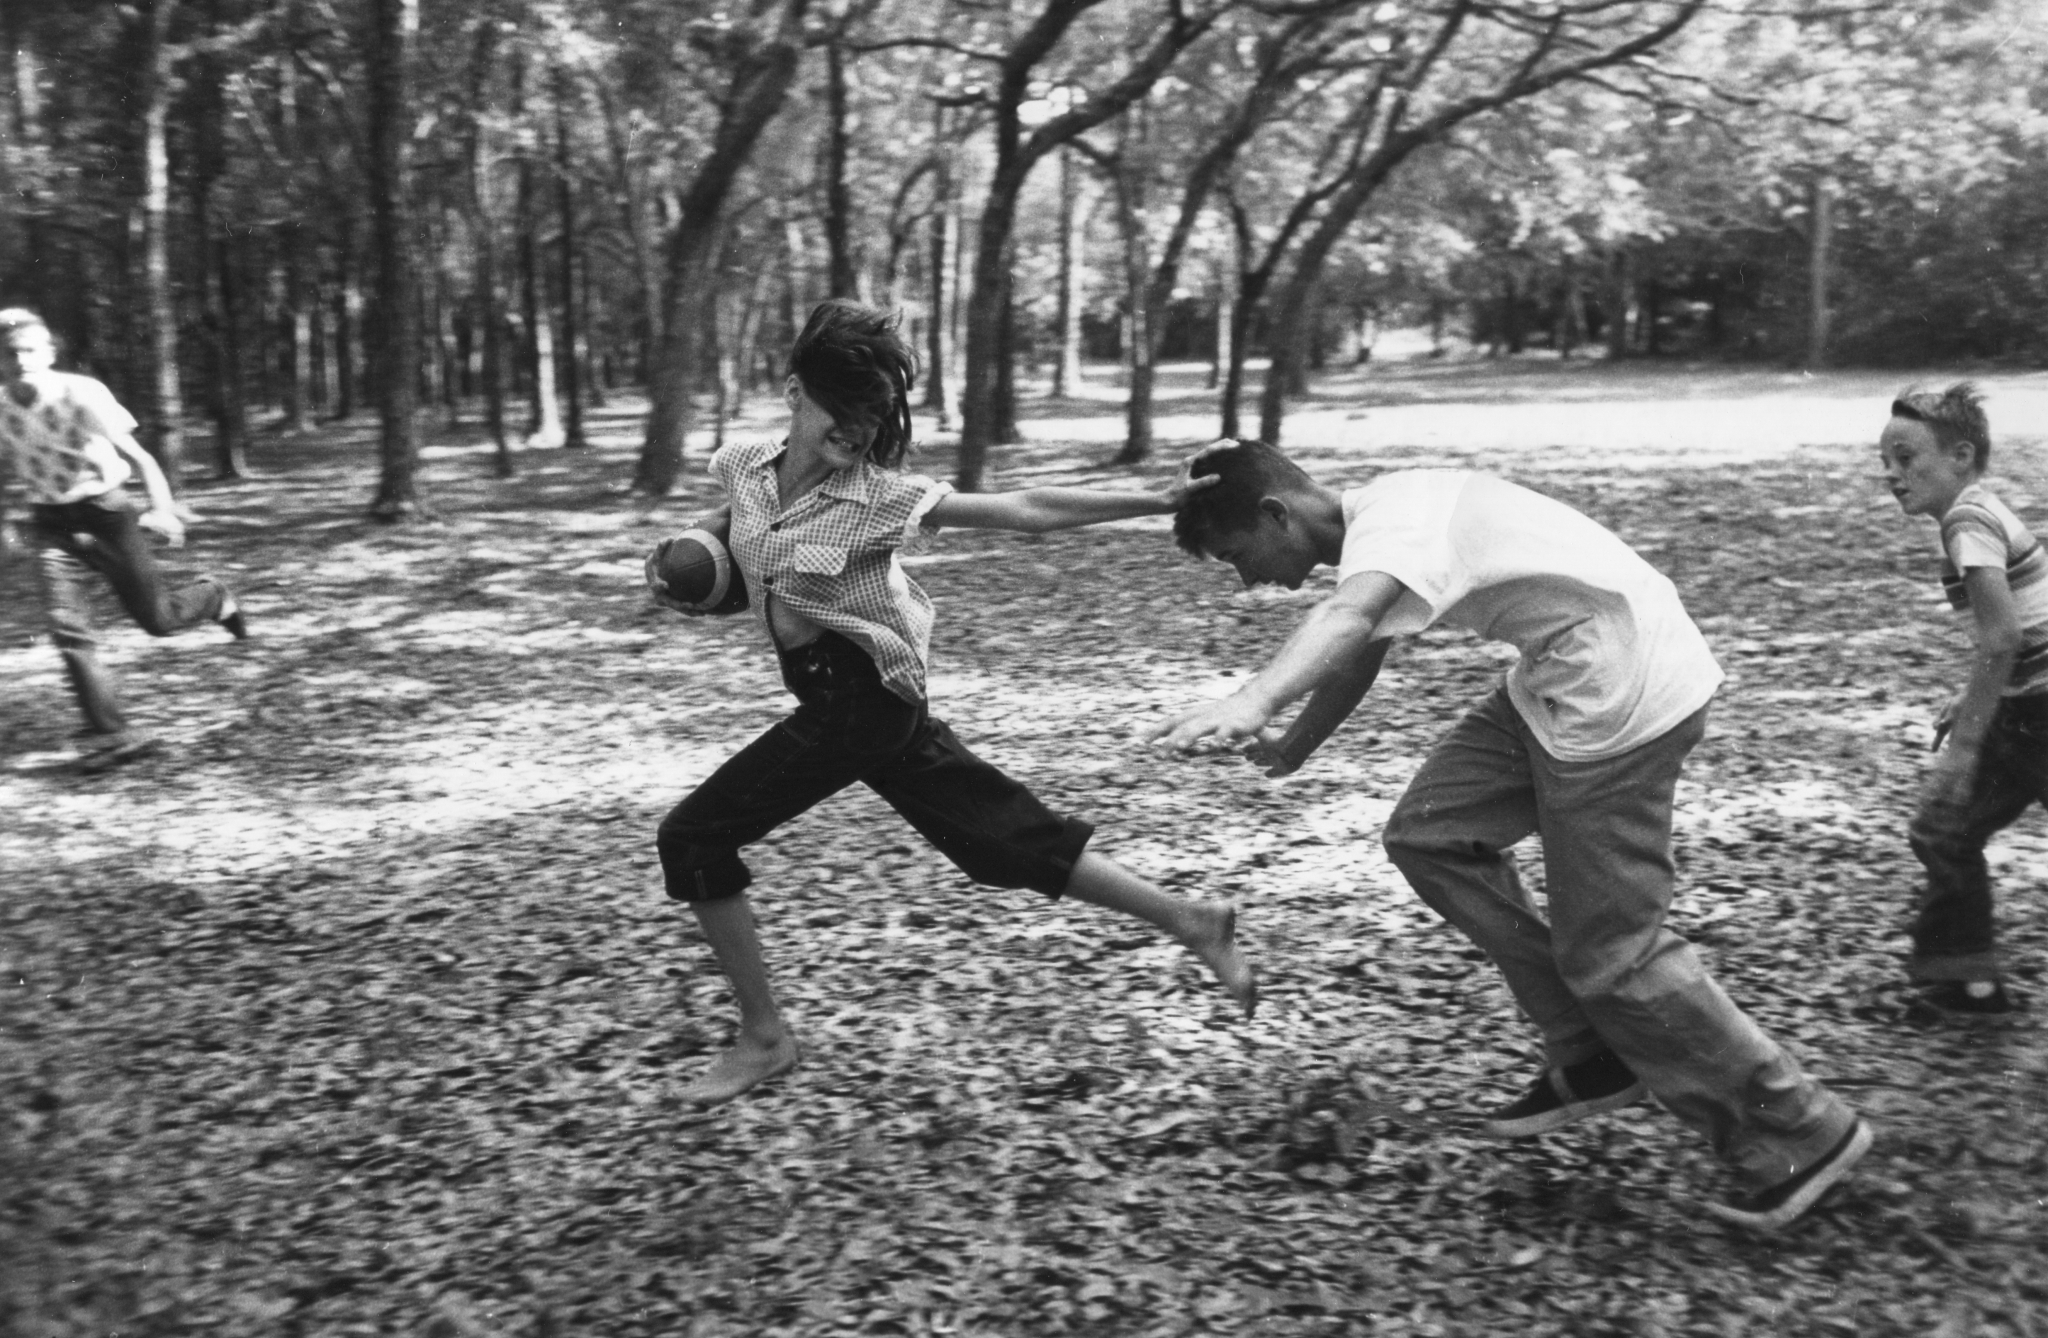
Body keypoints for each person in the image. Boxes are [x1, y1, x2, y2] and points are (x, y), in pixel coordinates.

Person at [1145, 438, 1869, 1233]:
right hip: (1561, 678)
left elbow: (1346, 619)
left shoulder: (1397, 522)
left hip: (1621, 688)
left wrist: (1253, 701)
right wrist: (1295, 744)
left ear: (1276, 512)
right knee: (1430, 835)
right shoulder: (1384, 525)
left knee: (1616, 955)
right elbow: (1360, 644)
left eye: (1238, 555)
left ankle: (1801, 1134)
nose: (1248, 580)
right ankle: (1589, 1050)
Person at [644, 299, 1255, 1108]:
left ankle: (764, 1039)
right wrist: (687, 570)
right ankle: (1191, 919)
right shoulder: (744, 466)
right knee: (1000, 840)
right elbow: (731, 536)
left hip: (858, 701)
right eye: (841, 406)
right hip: (862, 702)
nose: (857, 428)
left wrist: (1155, 501)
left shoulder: (878, 498)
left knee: (693, 836)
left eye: (872, 412)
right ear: (794, 393)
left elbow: (1025, 512)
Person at [0, 309, 246, 770]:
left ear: (49, 353)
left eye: (29, 350)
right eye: (9, 354)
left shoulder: (81, 392)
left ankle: (213, 596)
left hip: (106, 514)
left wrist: (163, 510)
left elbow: (140, 458)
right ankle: (113, 735)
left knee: (159, 620)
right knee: (68, 628)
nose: (20, 361)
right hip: (50, 523)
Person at [1880, 383, 2045, 1017]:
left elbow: (2002, 637)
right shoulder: (1977, 511)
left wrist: (1966, 744)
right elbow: (2023, 629)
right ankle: (1966, 981)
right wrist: (1971, 699)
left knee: (1945, 826)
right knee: (1943, 829)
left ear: (1960, 456)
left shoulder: (1967, 522)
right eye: (1885, 462)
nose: (1892, 474)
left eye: (1906, 458)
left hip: (2036, 717)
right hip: (2025, 708)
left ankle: (1963, 978)